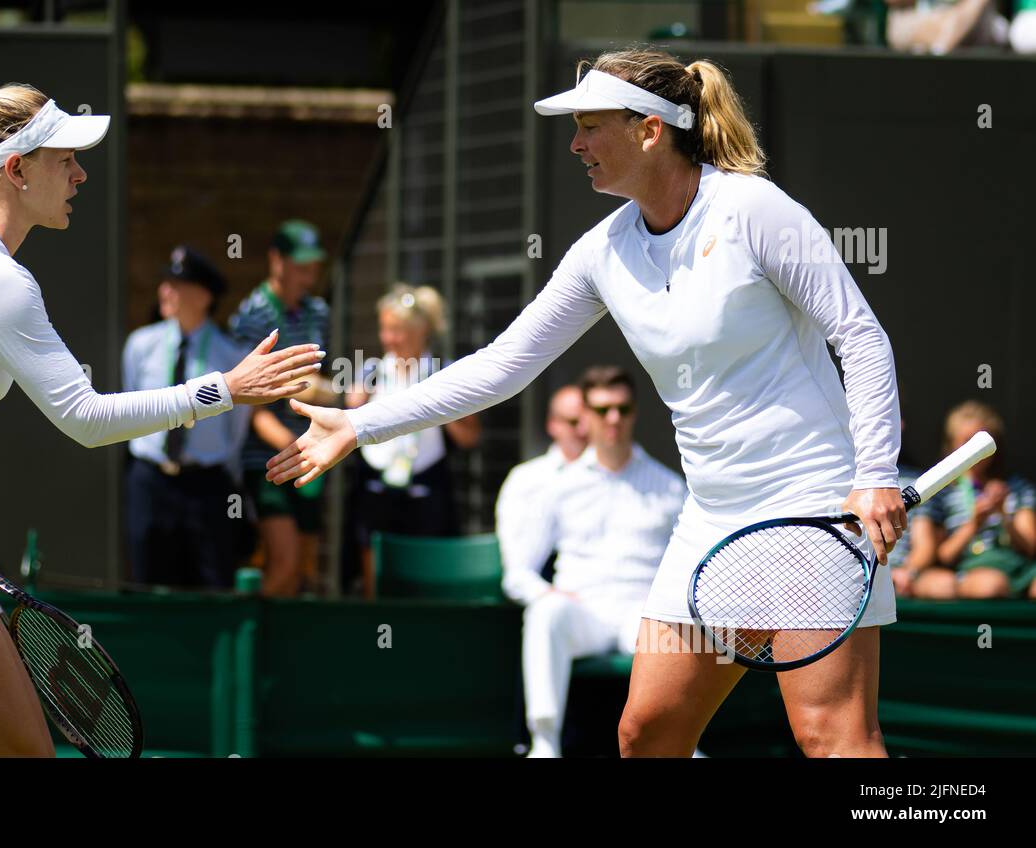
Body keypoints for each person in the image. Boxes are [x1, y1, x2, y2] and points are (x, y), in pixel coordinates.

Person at [267, 49, 907, 757]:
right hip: (711, 521)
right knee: (646, 733)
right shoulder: (602, 252)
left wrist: (875, 472)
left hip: (809, 506)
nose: (575, 144)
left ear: (650, 130)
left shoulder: (754, 210)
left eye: (590, 126)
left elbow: (861, 335)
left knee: (833, 738)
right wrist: (361, 423)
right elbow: (502, 367)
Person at [0, 75, 325, 757]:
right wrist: (224, 389)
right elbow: (84, 418)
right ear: (18, 170)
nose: (81, 174)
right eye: (66, 159)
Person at [502, 367, 684, 758]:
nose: (614, 418)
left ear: (635, 411)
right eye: (602, 410)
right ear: (585, 416)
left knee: (673, 628)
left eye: (623, 408)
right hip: (581, 611)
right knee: (545, 612)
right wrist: (549, 592)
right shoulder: (557, 486)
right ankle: (545, 744)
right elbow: (518, 573)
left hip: (643, 614)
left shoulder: (670, 486)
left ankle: (681, 745)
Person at [122, 245, 252, 589]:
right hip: (150, 480)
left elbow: (236, 428)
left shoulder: (230, 354)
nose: (164, 292)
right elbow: (131, 406)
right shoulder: (140, 345)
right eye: (164, 283)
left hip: (206, 485)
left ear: (204, 297)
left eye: (176, 286)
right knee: (149, 581)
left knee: (210, 584)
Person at [345, 284, 480, 596]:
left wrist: (449, 408)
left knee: (425, 580)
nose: (389, 339)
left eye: (398, 331)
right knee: (374, 581)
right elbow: (349, 418)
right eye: (385, 329)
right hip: (375, 486)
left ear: (421, 331)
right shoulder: (371, 371)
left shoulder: (444, 373)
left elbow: (470, 436)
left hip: (426, 489)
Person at [229, 220, 338, 596]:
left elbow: (317, 383)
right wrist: (295, 449)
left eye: (314, 266)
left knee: (303, 569)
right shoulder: (252, 316)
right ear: (276, 261)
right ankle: (246, 638)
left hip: (309, 452)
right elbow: (250, 403)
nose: (310, 276)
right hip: (269, 460)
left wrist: (333, 393)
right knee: (285, 561)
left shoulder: (319, 311)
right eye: (301, 266)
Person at [900, 400, 1036, 599]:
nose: (975, 451)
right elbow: (943, 556)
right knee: (991, 584)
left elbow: (1030, 546)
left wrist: (1003, 514)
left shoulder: (1017, 487)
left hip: (1020, 569)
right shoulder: (941, 493)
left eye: (981, 443)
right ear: (951, 444)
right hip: (973, 572)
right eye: (966, 442)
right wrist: (974, 523)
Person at [495, 383, 589, 594]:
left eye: (589, 421)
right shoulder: (527, 479)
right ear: (552, 424)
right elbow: (518, 566)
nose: (583, 430)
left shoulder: (616, 479)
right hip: (546, 595)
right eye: (573, 422)